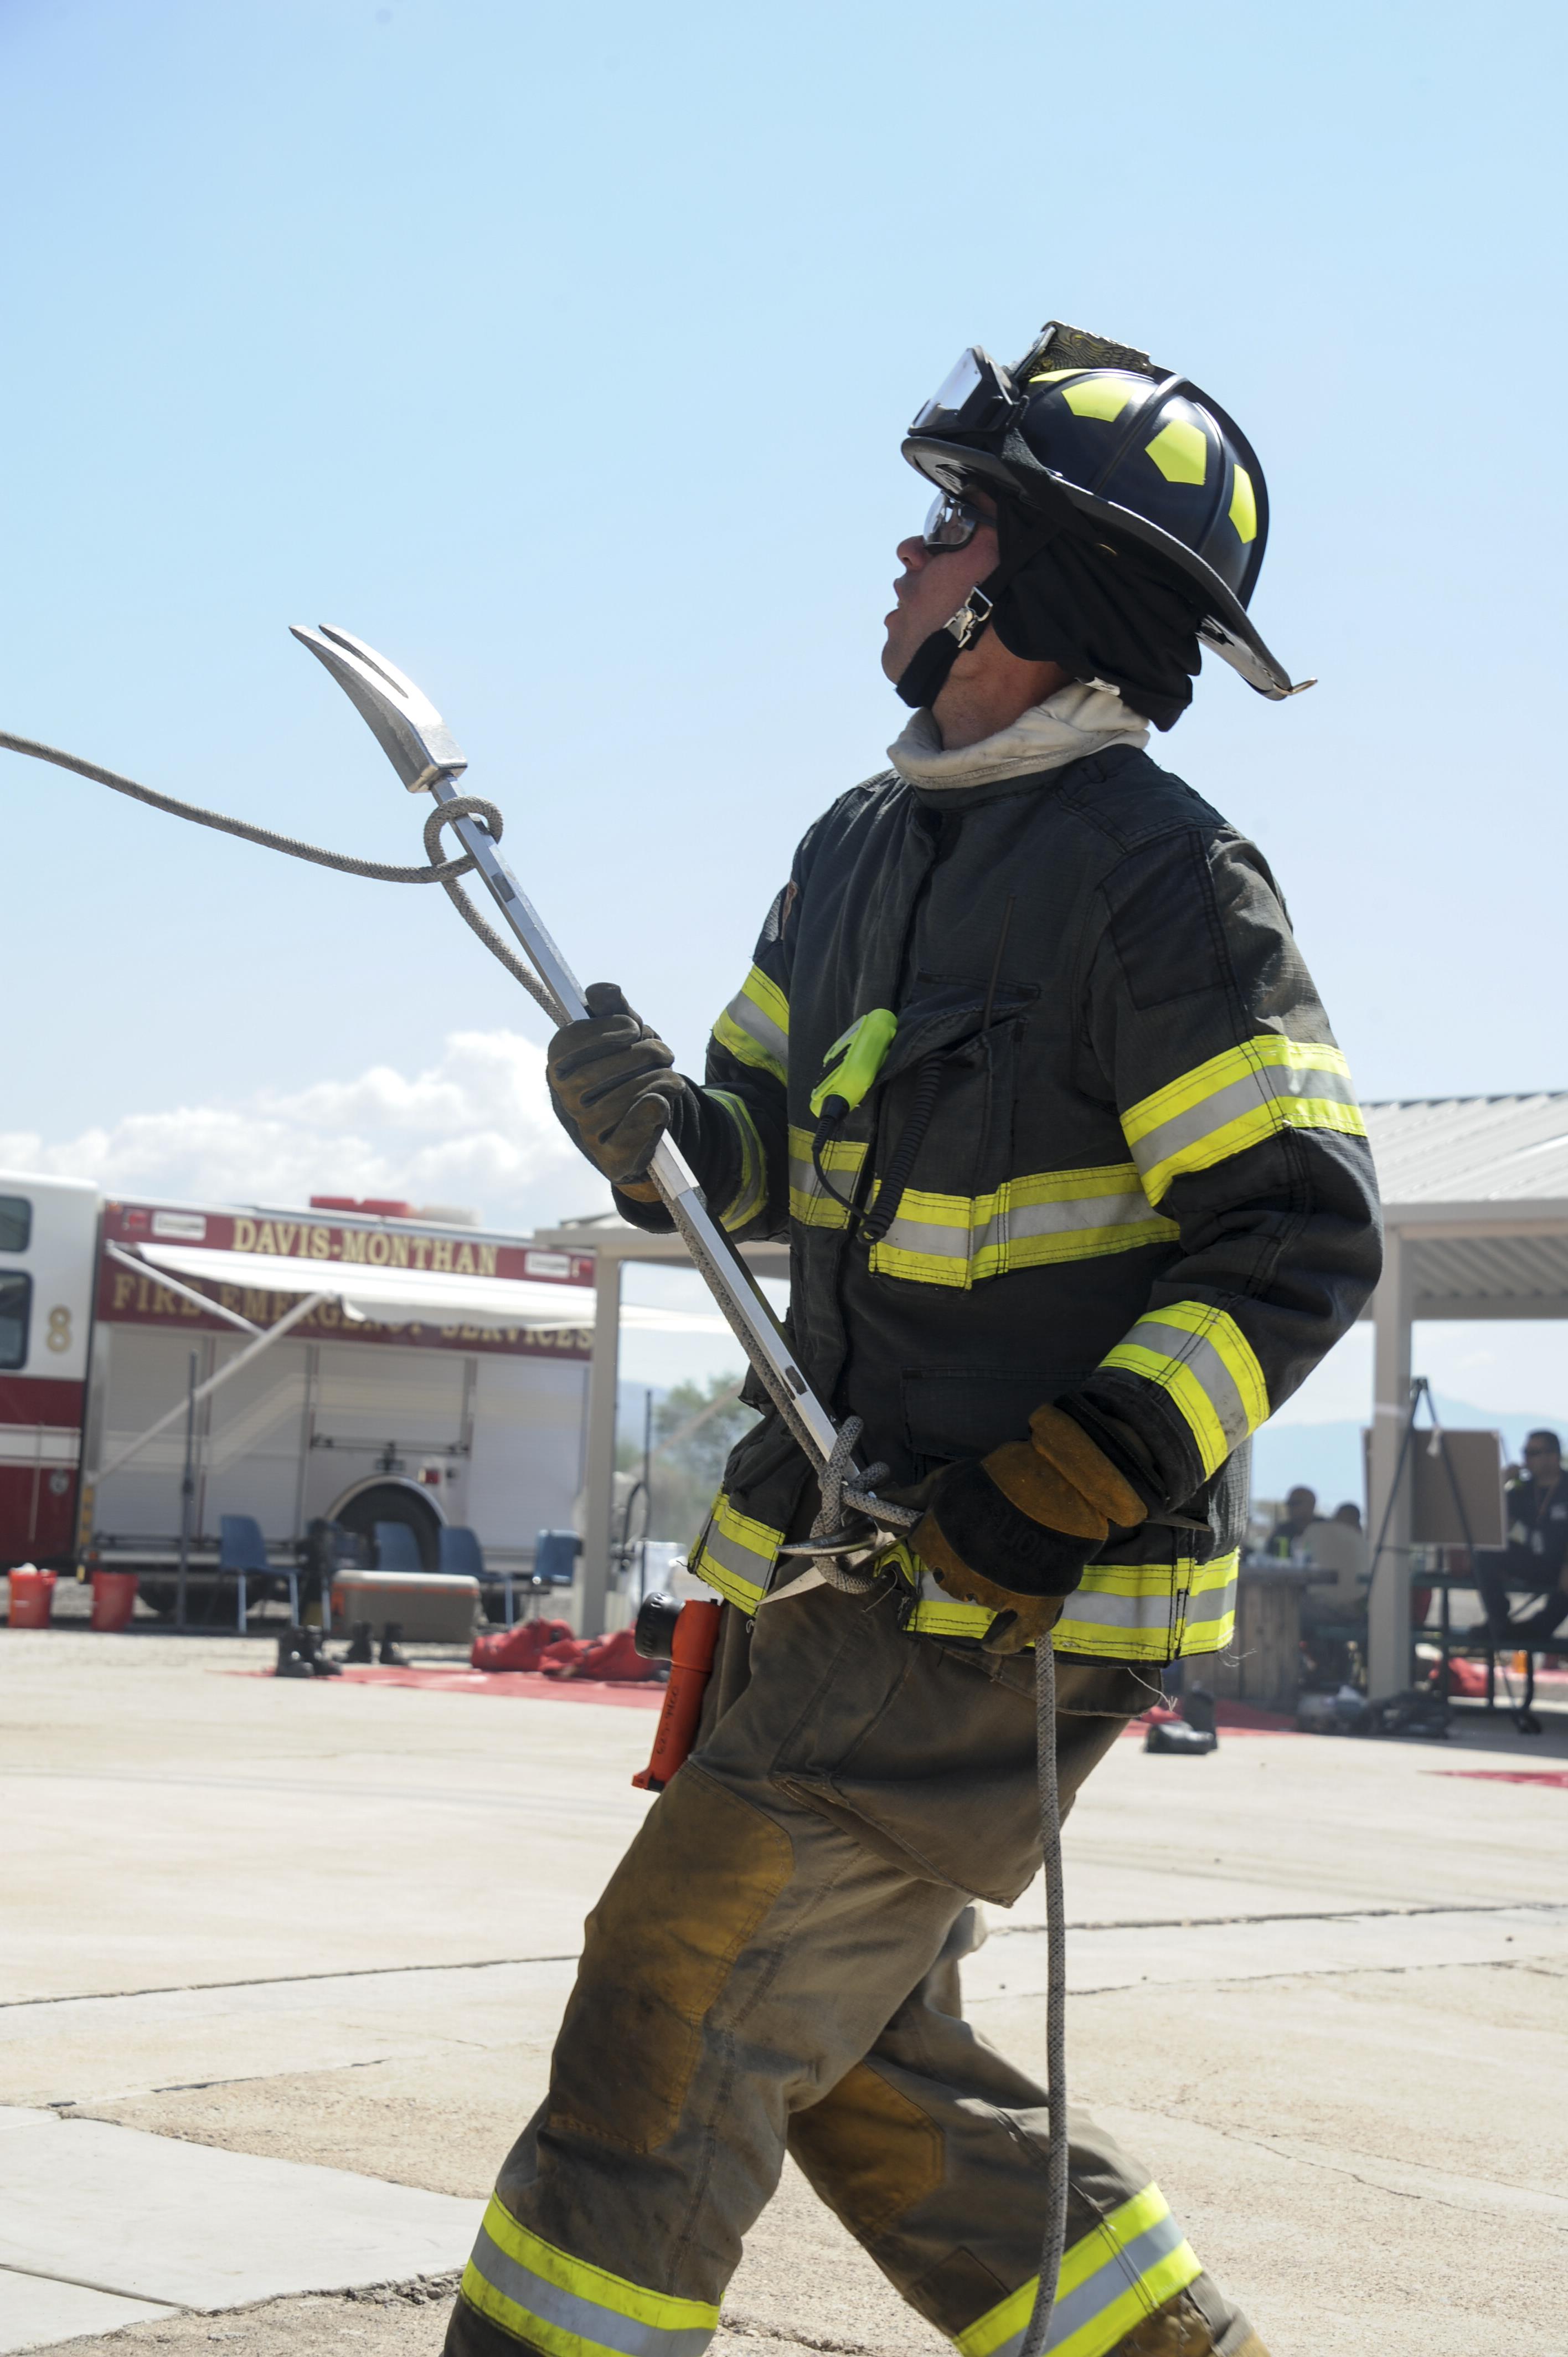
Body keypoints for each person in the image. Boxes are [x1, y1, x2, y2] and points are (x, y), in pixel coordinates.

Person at [447, 319, 1382, 2357]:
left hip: (1014, 1585)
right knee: (869, 2064)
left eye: (954, 518)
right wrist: (656, 1142)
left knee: (673, 1989)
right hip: (852, 1554)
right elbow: (763, 1156)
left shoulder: (1159, 880)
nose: (909, 545)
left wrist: (1065, 1482)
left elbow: (1295, 1235)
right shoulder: (855, 850)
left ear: (1041, 588)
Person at [1473, 1429, 1568, 1649]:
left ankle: (1536, 1630)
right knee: (1485, 1554)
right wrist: (1502, 1481)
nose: (1527, 1458)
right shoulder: (1522, 1489)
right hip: (1530, 1561)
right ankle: (1498, 1620)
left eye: (1533, 1453)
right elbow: (1484, 1512)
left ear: (1553, 1456)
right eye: (1525, 1452)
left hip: (1560, 1565)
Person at [1267, 1486, 1318, 1556]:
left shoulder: (1326, 1529)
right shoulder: (1283, 1530)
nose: (1290, 1508)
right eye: (1289, 1504)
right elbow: (1269, 1555)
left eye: (1295, 1503)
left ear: (1311, 1505)